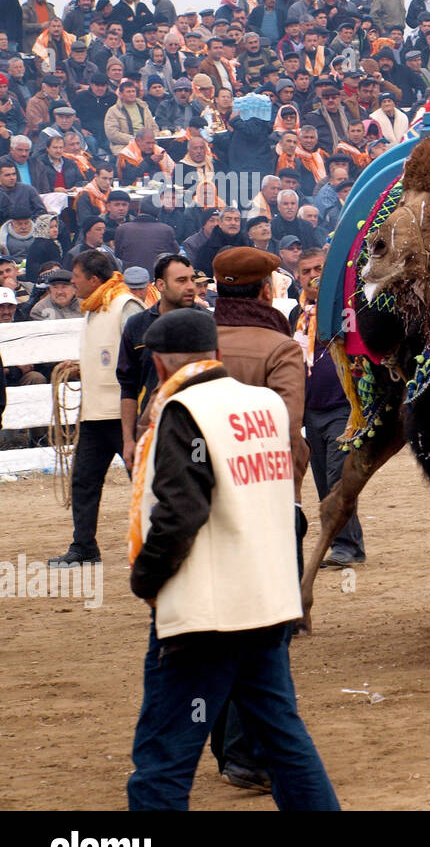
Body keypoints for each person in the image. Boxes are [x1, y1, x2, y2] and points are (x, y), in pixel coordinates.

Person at [124, 308, 339, 811]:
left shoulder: (181, 413)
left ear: (158, 367)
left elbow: (181, 513)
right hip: (266, 600)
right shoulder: (263, 405)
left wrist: (146, 577)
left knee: (163, 757)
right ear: (215, 355)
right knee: (285, 742)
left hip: (207, 612)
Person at [208, 245, 310, 790]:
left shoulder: (194, 344)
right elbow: (284, 423)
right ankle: (250, 753)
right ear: (266, 290)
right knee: (267, 633)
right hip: (266, 501)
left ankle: (229, 751)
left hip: (204, 503)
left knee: (217, 628)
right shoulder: (279, 346)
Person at [50, 250, 145, 566]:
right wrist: (81, 368)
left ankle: (156, 541)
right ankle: (84, 545)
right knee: (84, 480)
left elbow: (141, 357)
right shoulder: (94, 308)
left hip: (124, 413)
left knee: (143, 480)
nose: (72, 281)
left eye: (76, 276)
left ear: (93, 279)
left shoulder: (125, 306)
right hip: (95, 413)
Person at [295, 246, 366, 567]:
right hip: (310, 411)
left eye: (318, 269)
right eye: (306, 271)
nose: (313, 276)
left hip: (343, 406)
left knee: (339, 479)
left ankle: (346, 547)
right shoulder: (294, 316)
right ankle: (344, 544)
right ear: (298, 277)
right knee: (324, 481)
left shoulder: (345, 307)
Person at [118, 254, 200, 470]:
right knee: (157, 496)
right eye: (181, 281)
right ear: (160, 285)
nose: (191, 286)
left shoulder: (208, 324)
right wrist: (128, 440)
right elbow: (128, 387)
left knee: (199, 487)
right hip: (152, 429)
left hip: (200, 432)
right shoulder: (136, 326)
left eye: (192, 279)